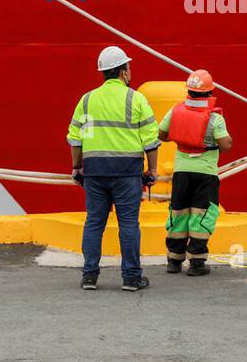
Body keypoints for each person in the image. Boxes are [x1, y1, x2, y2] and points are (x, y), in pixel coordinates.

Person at [67, 46, 160, 291]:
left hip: (94, 172)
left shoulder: (86, 100)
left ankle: (89, 276)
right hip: (127, 173)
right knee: (128, 224)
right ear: (122, 72)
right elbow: (150, 139)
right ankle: (131, 278)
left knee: (94, 222)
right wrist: (152, 170)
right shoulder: (136, 98)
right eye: (128, 67)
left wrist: (77, 168)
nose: (130, 71)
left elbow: (75, 138)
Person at [157, 69, 233, 276]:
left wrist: (182, 135)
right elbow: (226, 144)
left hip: (181, 171)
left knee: (178, 213)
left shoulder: (175, 111)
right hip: (205, 173)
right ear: (210, 93)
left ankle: (174, 262)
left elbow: (161, 134)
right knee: (202, 216)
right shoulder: (215, 118)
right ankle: (197, 264)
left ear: (188, 91)